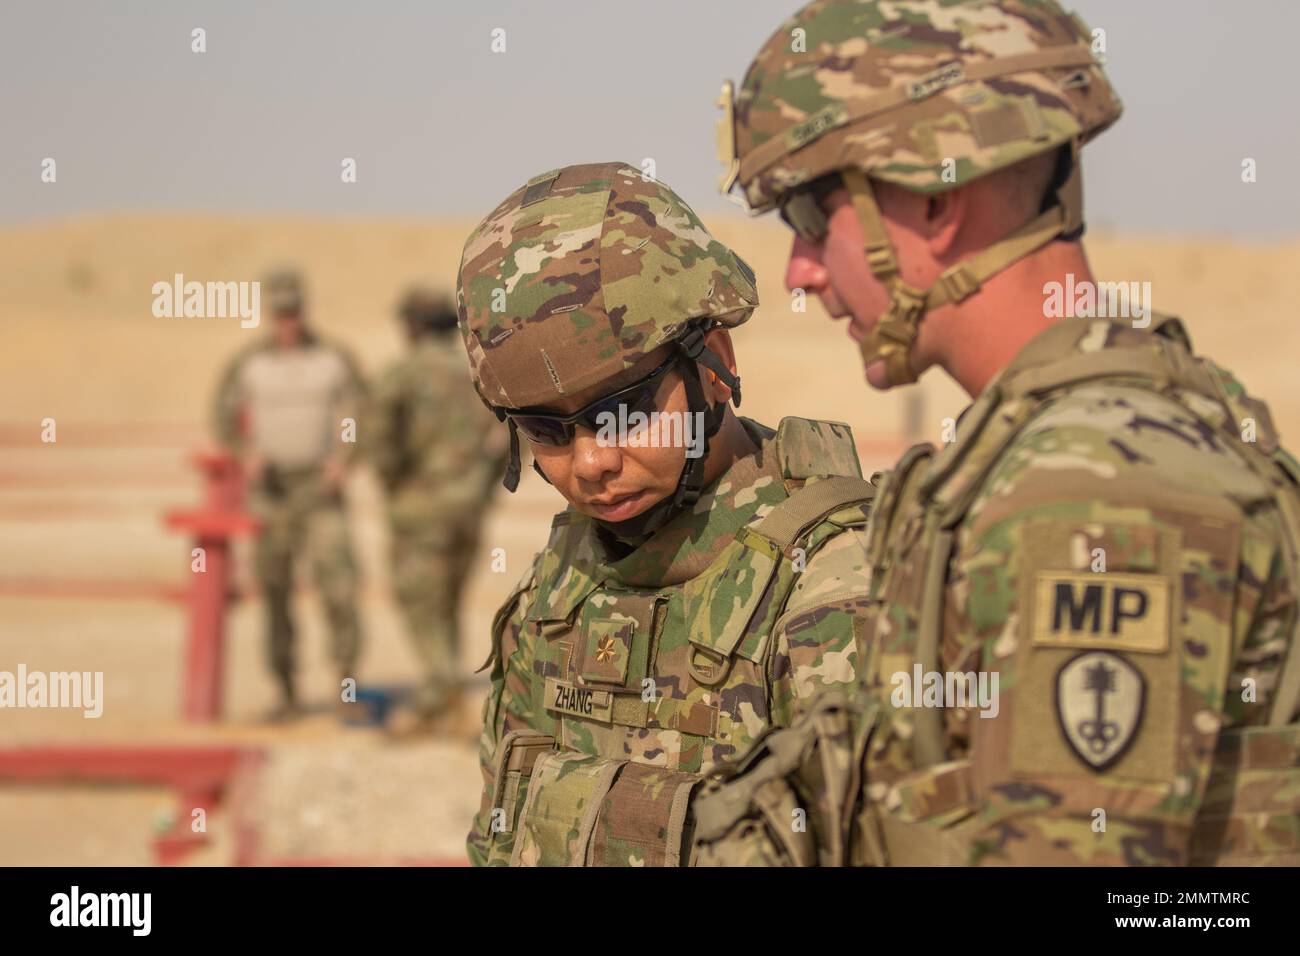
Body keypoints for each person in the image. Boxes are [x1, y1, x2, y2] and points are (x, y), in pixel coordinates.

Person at [693, 0, 1300, 865]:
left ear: (936, 196)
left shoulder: (1092, 486)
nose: (801, 271)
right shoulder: (1048, 444)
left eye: (809, 219)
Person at [459, 162, 878, 866]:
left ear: (712, 363)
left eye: (620, 412)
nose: (590, 462)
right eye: (547, 431)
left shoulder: (833, 583)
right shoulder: (563, 582)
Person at [212, 268, 367, 721]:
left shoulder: (334, 358)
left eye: (294, 312)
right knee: (276, 592)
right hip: (272, 492)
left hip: (319, 489)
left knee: (339, 587)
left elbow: (361, 410)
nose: (288, 322)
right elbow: (222, 416)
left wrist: (346, 456)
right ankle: (286, 692)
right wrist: (245, 454)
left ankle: (346, 689)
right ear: (269, 314)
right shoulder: (248, 363)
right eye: (280, 313)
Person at [369, 287, 505, 734]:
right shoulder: (480, 374)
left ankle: (437, 694)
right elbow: (511, 435)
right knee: (447, 601)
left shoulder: (402, 373)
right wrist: (483, 490)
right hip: (468, 507)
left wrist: (393, 482)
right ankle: (447, 701)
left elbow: (380, 438)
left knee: (419, 603)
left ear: (412, 326)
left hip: (420, 507)